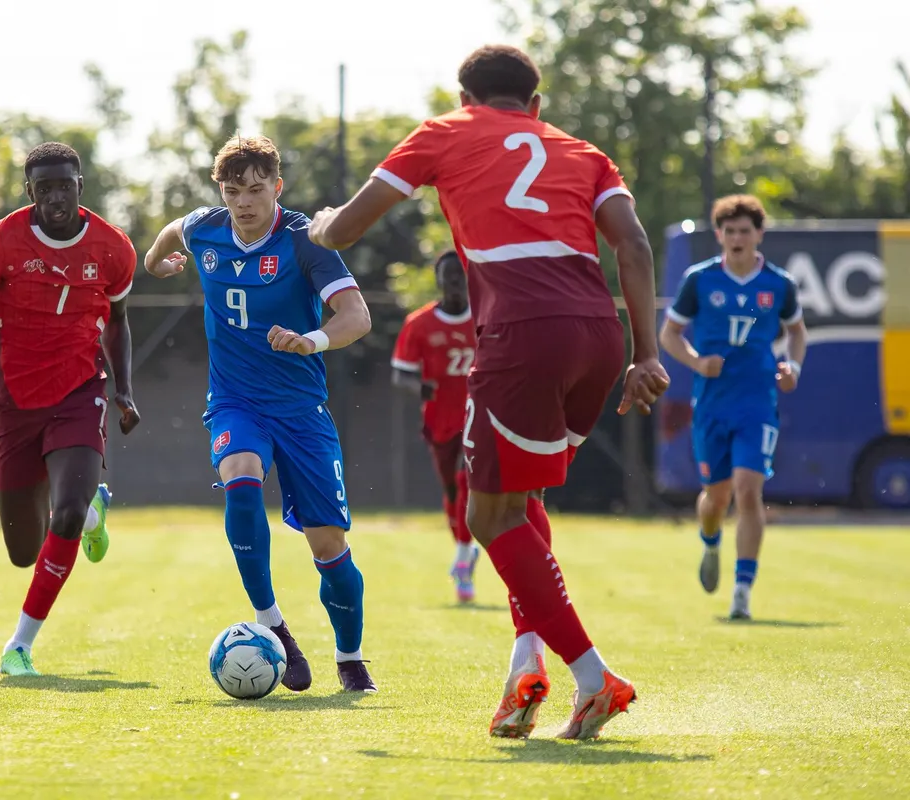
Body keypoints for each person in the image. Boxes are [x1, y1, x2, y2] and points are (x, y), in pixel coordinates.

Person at [307, 45, 670, 739]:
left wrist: (323, 224)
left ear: (464, 99)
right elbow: (634, 247)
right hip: (599, 337)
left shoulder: (443, 132)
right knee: (521, 502)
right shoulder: (585, 153)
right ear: (535, 105)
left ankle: (593, 677)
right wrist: (646, 354)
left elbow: (347, 228)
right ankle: (525, 669)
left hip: (522, 334)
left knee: (487, 515)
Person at [143, 135, 377, 693]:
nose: (243, 202)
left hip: (300, 410)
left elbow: (357, 316)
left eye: (255, 189)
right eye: (232, 192)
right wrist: (155, 262)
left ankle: (350, 658)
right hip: (235, 402)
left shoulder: (305, 241)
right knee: (242, 481)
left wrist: (311, 340)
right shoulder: (206, 228)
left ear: (277, 186)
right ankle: (274, 627)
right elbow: (172, 232)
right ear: (220, 193)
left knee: (329, 548)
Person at [0, 141, 141, 677]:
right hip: (12, 399)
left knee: (66, 514)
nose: (56, 197)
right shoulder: (0, 242)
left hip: (80, 390)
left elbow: (119, 321)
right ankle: (95, 512)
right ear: (29, 191)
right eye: (44, 187)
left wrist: (123, 388)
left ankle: (19, 646)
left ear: (81, 186)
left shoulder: (113, 248)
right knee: (23, 551)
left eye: (65, 185)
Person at [660, 194, 806, 621]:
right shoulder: (700, 279)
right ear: (720, 235)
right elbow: (669, 334)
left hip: (757, 402)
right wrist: (696, 363)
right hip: (711, 405)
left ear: (759, 234)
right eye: (730, 231)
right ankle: (710, 543)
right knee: (716, 497)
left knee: (747, 489)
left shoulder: (778, 284)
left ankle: (742, 591)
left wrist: (793, 367)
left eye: (745, 230)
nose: (737, 238)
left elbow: (797, 332)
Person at [390, 251, 479, 602]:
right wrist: (419, 387)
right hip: (440, 419)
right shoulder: (419, 323)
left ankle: (463, 558)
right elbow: (401, 374)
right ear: (438, 279)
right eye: (449, 275)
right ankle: (464, 549)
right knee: (452, 490)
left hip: (479, 417)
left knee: (466, 478)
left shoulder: (487, 317)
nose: (455, 281)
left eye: (461, 274)